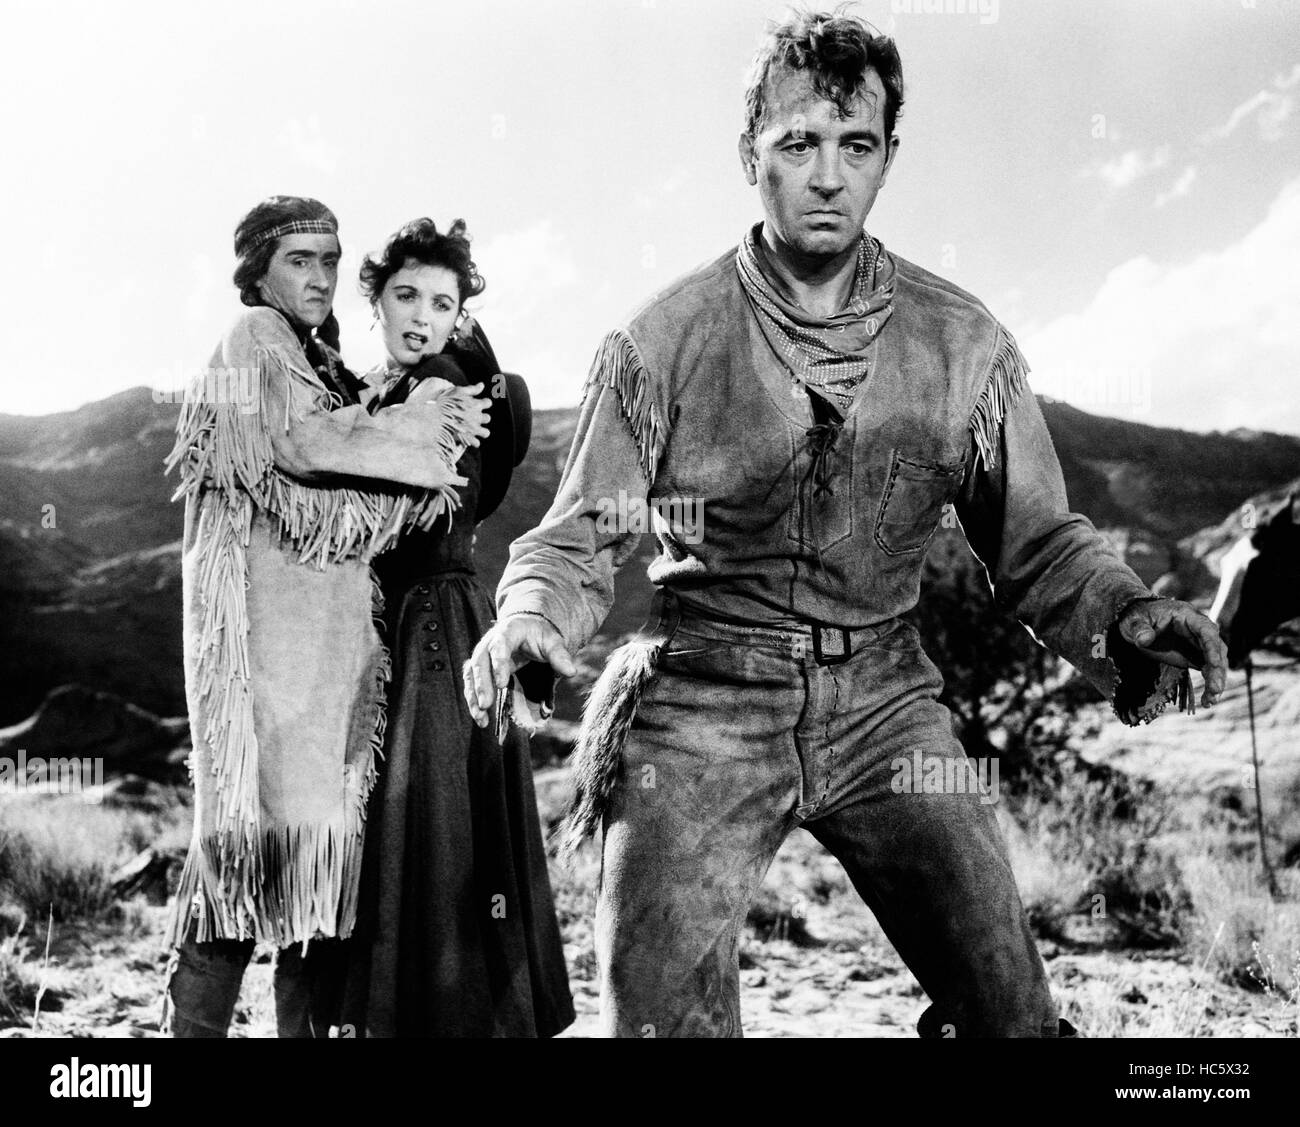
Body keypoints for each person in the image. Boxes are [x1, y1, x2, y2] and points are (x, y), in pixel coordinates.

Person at [463, 12, 1229, 1038]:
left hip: (884, 700)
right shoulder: (661, 340)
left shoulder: (961, 343)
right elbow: (575, 535)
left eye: (855, 145)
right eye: (797, 144)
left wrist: (1126, 613)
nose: (827, 175)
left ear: (887, 157)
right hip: (703, 700)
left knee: (1010, 1010)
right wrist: (529, 616)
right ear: (751, 155)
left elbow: (1040, 542)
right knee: (655, 1022)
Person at [162, 196, 489, 1037]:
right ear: (259, 270)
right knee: (242, 873)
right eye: (298, 259)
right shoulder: (256, 343)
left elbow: (342, 464)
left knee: (311, 887)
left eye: (328, 260)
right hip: (266, 662)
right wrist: (422, 424)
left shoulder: (318, 356)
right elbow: (303, 444)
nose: (317, 276)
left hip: (322, 663)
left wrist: (415, 415)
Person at [336, 218, 575, 1038]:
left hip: (436, 626)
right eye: (405, 295)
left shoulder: (445, 390)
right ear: (375, 299)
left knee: (434, 825)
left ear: (460, 316)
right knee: (411, 829)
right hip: (396, 627)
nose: (422, 315)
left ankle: (442, 1016)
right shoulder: (373, 391)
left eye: (443, 302)